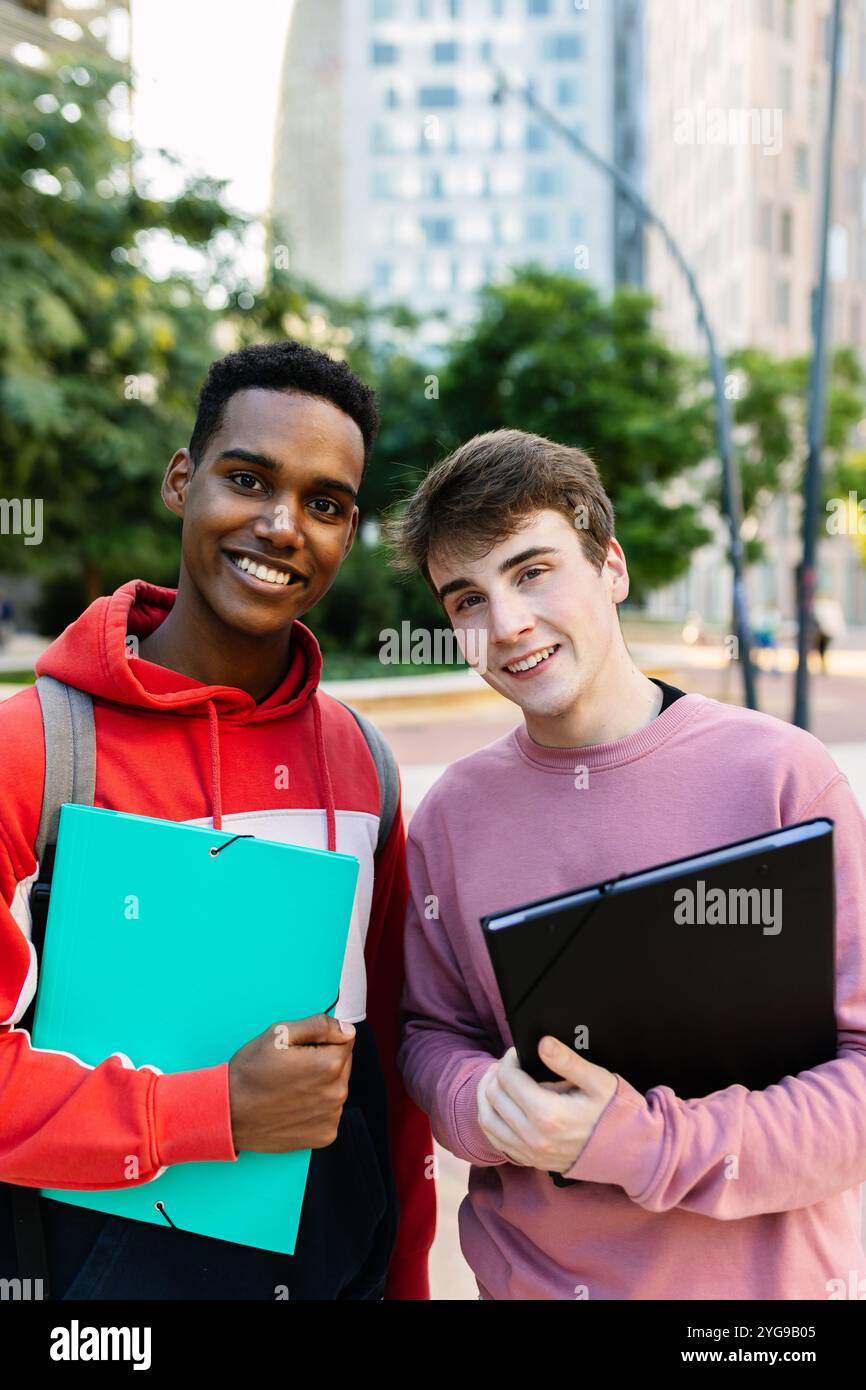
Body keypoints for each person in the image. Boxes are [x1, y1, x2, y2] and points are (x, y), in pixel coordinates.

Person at [388, 428, 866, 1301]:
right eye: (466, 599)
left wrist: (634, 1140)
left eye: (533, 572)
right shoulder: (451, 817)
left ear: (611, 566)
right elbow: (430, 1034)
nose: (507, 626)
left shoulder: (783, 778)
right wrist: (477, 1100)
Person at [0, 341, 434, 1300]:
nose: (283, 527)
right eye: (248, 480)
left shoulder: (365, 764)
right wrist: (212, 1111)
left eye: (326, 504)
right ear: (181, 481)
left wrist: (405, 1276)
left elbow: (394, 1074)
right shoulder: (31, 752)